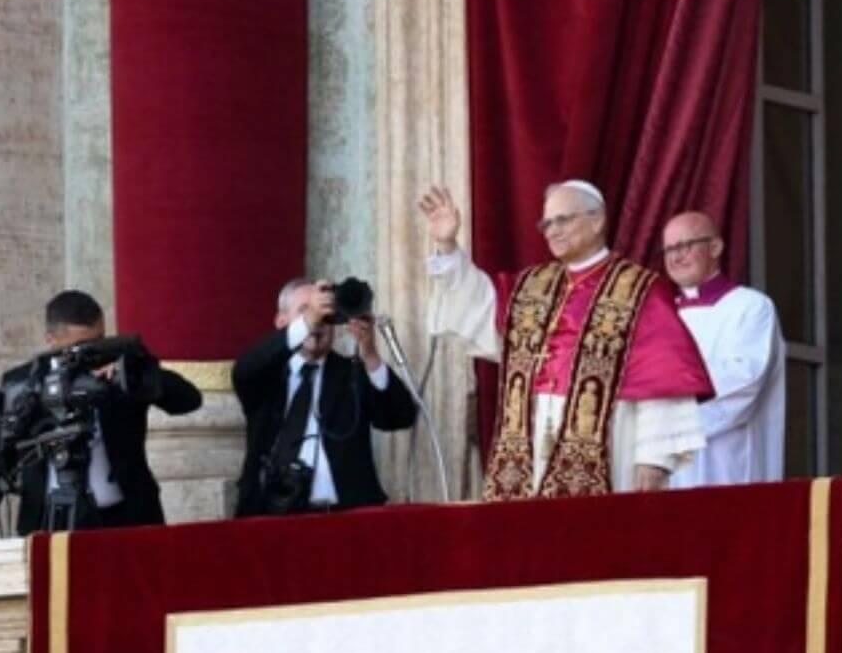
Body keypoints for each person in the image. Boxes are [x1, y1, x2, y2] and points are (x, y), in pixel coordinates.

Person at [418, 180, 713, 497]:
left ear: (597, 220)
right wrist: (448, 247)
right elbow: (479, 303)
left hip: (610, 439)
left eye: (563, 220)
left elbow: (662, 380)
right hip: (532, 436)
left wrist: (653, 458)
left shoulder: (639, 289)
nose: (552, 231)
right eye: (546, 223)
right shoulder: (533, 285)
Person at [0, 290, 203, 534]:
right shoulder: (22, 383)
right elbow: (3, 456)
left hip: (126, 519)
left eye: (99, 340)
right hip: (47, 523)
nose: (91, 353)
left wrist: (135, 374)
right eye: (80, 346)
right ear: (51, 339)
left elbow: (189, 400)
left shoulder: (123, 368)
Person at [232, 278, 419, 515]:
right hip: (272, 515)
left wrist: (370, 354)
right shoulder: (266, 374)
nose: (318, 321)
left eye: (325, 314)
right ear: (282, 321)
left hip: (344, 517)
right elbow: (245, 369)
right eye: (305, 310)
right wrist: (308, 322)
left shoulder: (351, 372)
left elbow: (399, 416)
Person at [660, 211, 785, 488]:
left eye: (685, 245)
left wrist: (669, 405)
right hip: (668, 466)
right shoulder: (659, 316)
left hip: (729, 462)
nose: (675, 257)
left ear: (715, 247)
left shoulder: (751, 307)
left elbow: (744, 380)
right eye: (669, 249)